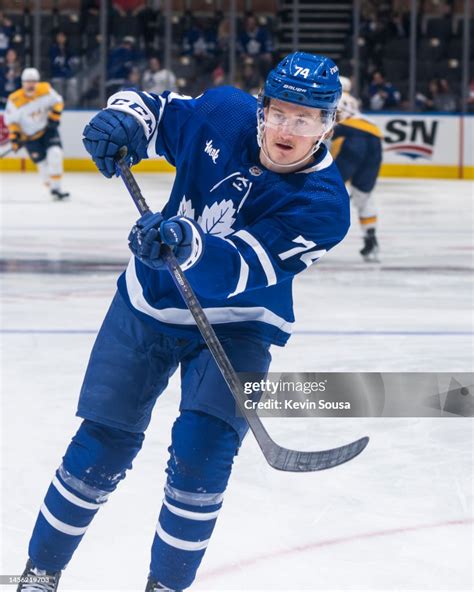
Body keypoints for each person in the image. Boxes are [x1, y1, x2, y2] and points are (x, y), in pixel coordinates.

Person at [17, 52, 348, 591]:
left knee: (202, 459)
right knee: (102, 443)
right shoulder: (223, 112)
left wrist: (188, 242)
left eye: (305, 118)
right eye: (280, 113)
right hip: (148, 303)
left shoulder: (324, 206)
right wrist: (123, 120)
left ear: (328, 124)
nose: (287, 129)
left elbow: (242, 267)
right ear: (260, 108)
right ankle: (40, 573)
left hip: (239, 325)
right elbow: (155, 109)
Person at [331, 88, 383, 261]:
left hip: (350, 135)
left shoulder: (329, 93)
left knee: (327, 188)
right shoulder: (352, 99)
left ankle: (305, 235)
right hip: (374, 134)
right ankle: (371, 238)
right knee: (364, 194)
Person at [4, 67, 69, 200]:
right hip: (29, 137)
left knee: (55, 154)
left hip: (47, 131)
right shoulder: (15, 99)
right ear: (22, 82)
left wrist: (54, 117)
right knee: (42, 164)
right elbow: (12, 122)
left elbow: (58, 102)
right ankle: (51, 188)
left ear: (38, 81)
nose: (31, 84)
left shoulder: (45, 90)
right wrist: (15, 138)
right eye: (28, 81)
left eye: (33, 81)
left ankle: (57, 188)